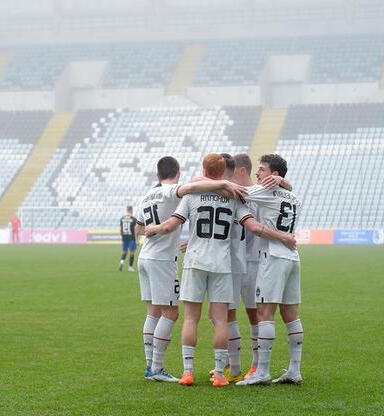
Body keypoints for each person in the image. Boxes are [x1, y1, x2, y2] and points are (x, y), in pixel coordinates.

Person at [145, 154, 296, 387]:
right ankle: (223, 372)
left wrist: (152, 230)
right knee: (223, 318)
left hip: (203, 261)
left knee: (194, 318)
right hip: (227, 262)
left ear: (205, 172)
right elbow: (254, 226)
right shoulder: (237, 197)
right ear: (226, 171)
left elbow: (172, 224)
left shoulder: (195, 195)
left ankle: (190, 371)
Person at [134, 155, 246, 383]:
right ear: (177, 174)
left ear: (158, 174)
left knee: (163, 313)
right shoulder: (180, 191)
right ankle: (159, 367)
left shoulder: (148, 194)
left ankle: (168, 368)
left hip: (153, 257)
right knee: (185, 315)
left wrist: (152, 230)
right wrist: (225, 184)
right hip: (191, 261)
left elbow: (139, 228)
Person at [237, 154, 304, 386]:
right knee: (291, 315)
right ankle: (294, 370)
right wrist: (285, 183)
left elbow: (236, 192)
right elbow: (286, 187)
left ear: (273, 175)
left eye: (262, 170)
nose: (258, 173)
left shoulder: (264, 192)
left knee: (264, 313)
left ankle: (262, 371)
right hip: (292, 257)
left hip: (272, 257)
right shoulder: (294, 196)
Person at [119, 206, 137, 272]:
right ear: (131, 210)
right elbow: (135, 230)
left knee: (124, 252)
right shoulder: (133, 219)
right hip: (131, 238)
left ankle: (122, 261)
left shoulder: (122, 218)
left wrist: (122, 237)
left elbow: (120, 230)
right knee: (131, 253)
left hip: (124, 238)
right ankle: (130, 267)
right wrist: (136, 240)